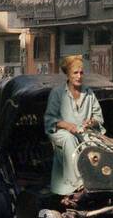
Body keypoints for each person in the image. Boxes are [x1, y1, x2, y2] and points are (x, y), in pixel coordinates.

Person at [44, 55, 105, 196]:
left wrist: (92, 122)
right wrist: (67, 126)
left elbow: (98, 118)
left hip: (84, 132)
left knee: (98, 143)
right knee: (69, 139)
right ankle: (77, 183)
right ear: (68, 74)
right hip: (60, 132)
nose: (79, 76)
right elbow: (50, 119)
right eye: (75, 73)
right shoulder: (57, 93)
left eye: (81, 73)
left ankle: (101, 181)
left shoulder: (89, 93)